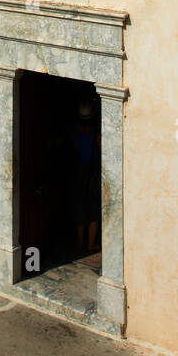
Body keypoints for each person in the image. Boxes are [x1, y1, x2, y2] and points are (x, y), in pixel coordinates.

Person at [70, 99, 101, 259]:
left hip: (78, 171)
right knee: (93, 210)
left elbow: (75, 147)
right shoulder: (96, 132)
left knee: (80, 208)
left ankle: (81, 243)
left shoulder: (75, 130)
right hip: (91, 171)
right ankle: (90, 245)